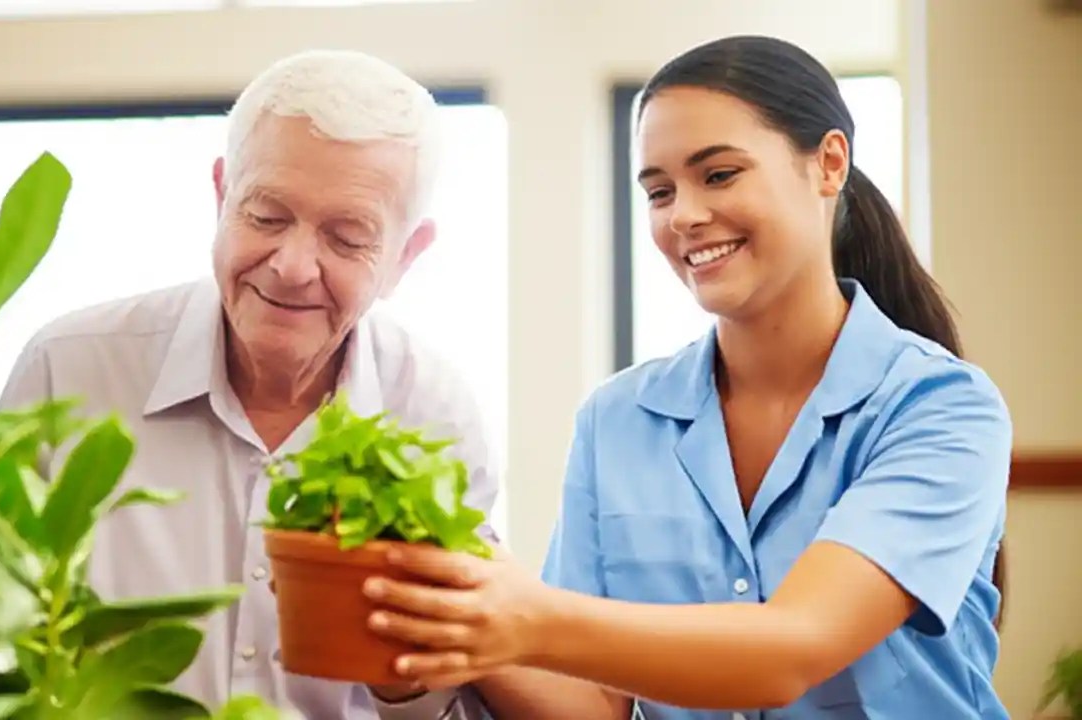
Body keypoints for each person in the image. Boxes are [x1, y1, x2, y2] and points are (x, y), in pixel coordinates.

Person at [357, 34, 1012, 719]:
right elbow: (593, 705)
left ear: (828, 163)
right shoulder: (615, 420)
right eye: (659, 191)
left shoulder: (939, 408)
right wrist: (432, 627)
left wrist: (522, 613)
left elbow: (792, 648)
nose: (684, 216)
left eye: (719, 174)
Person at [0, 49, 498, 720]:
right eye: (265, 217)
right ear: (221, 194)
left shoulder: (434, 412)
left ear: (406, 257)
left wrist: (407, 668)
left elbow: (446, 700)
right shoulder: (69, 370)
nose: (292, 267)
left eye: (347, 238)